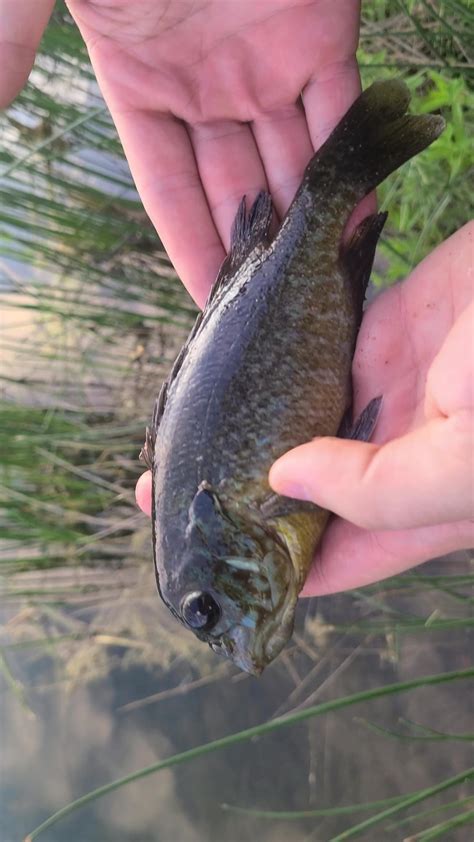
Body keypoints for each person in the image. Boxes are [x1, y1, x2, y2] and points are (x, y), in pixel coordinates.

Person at [2, 1, 472, 595]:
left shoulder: (255, 518)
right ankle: (335, 186)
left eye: (210, 612)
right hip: (285, 295)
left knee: (320, 210)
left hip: (277, 291)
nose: (237, 642)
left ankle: (335, 184)